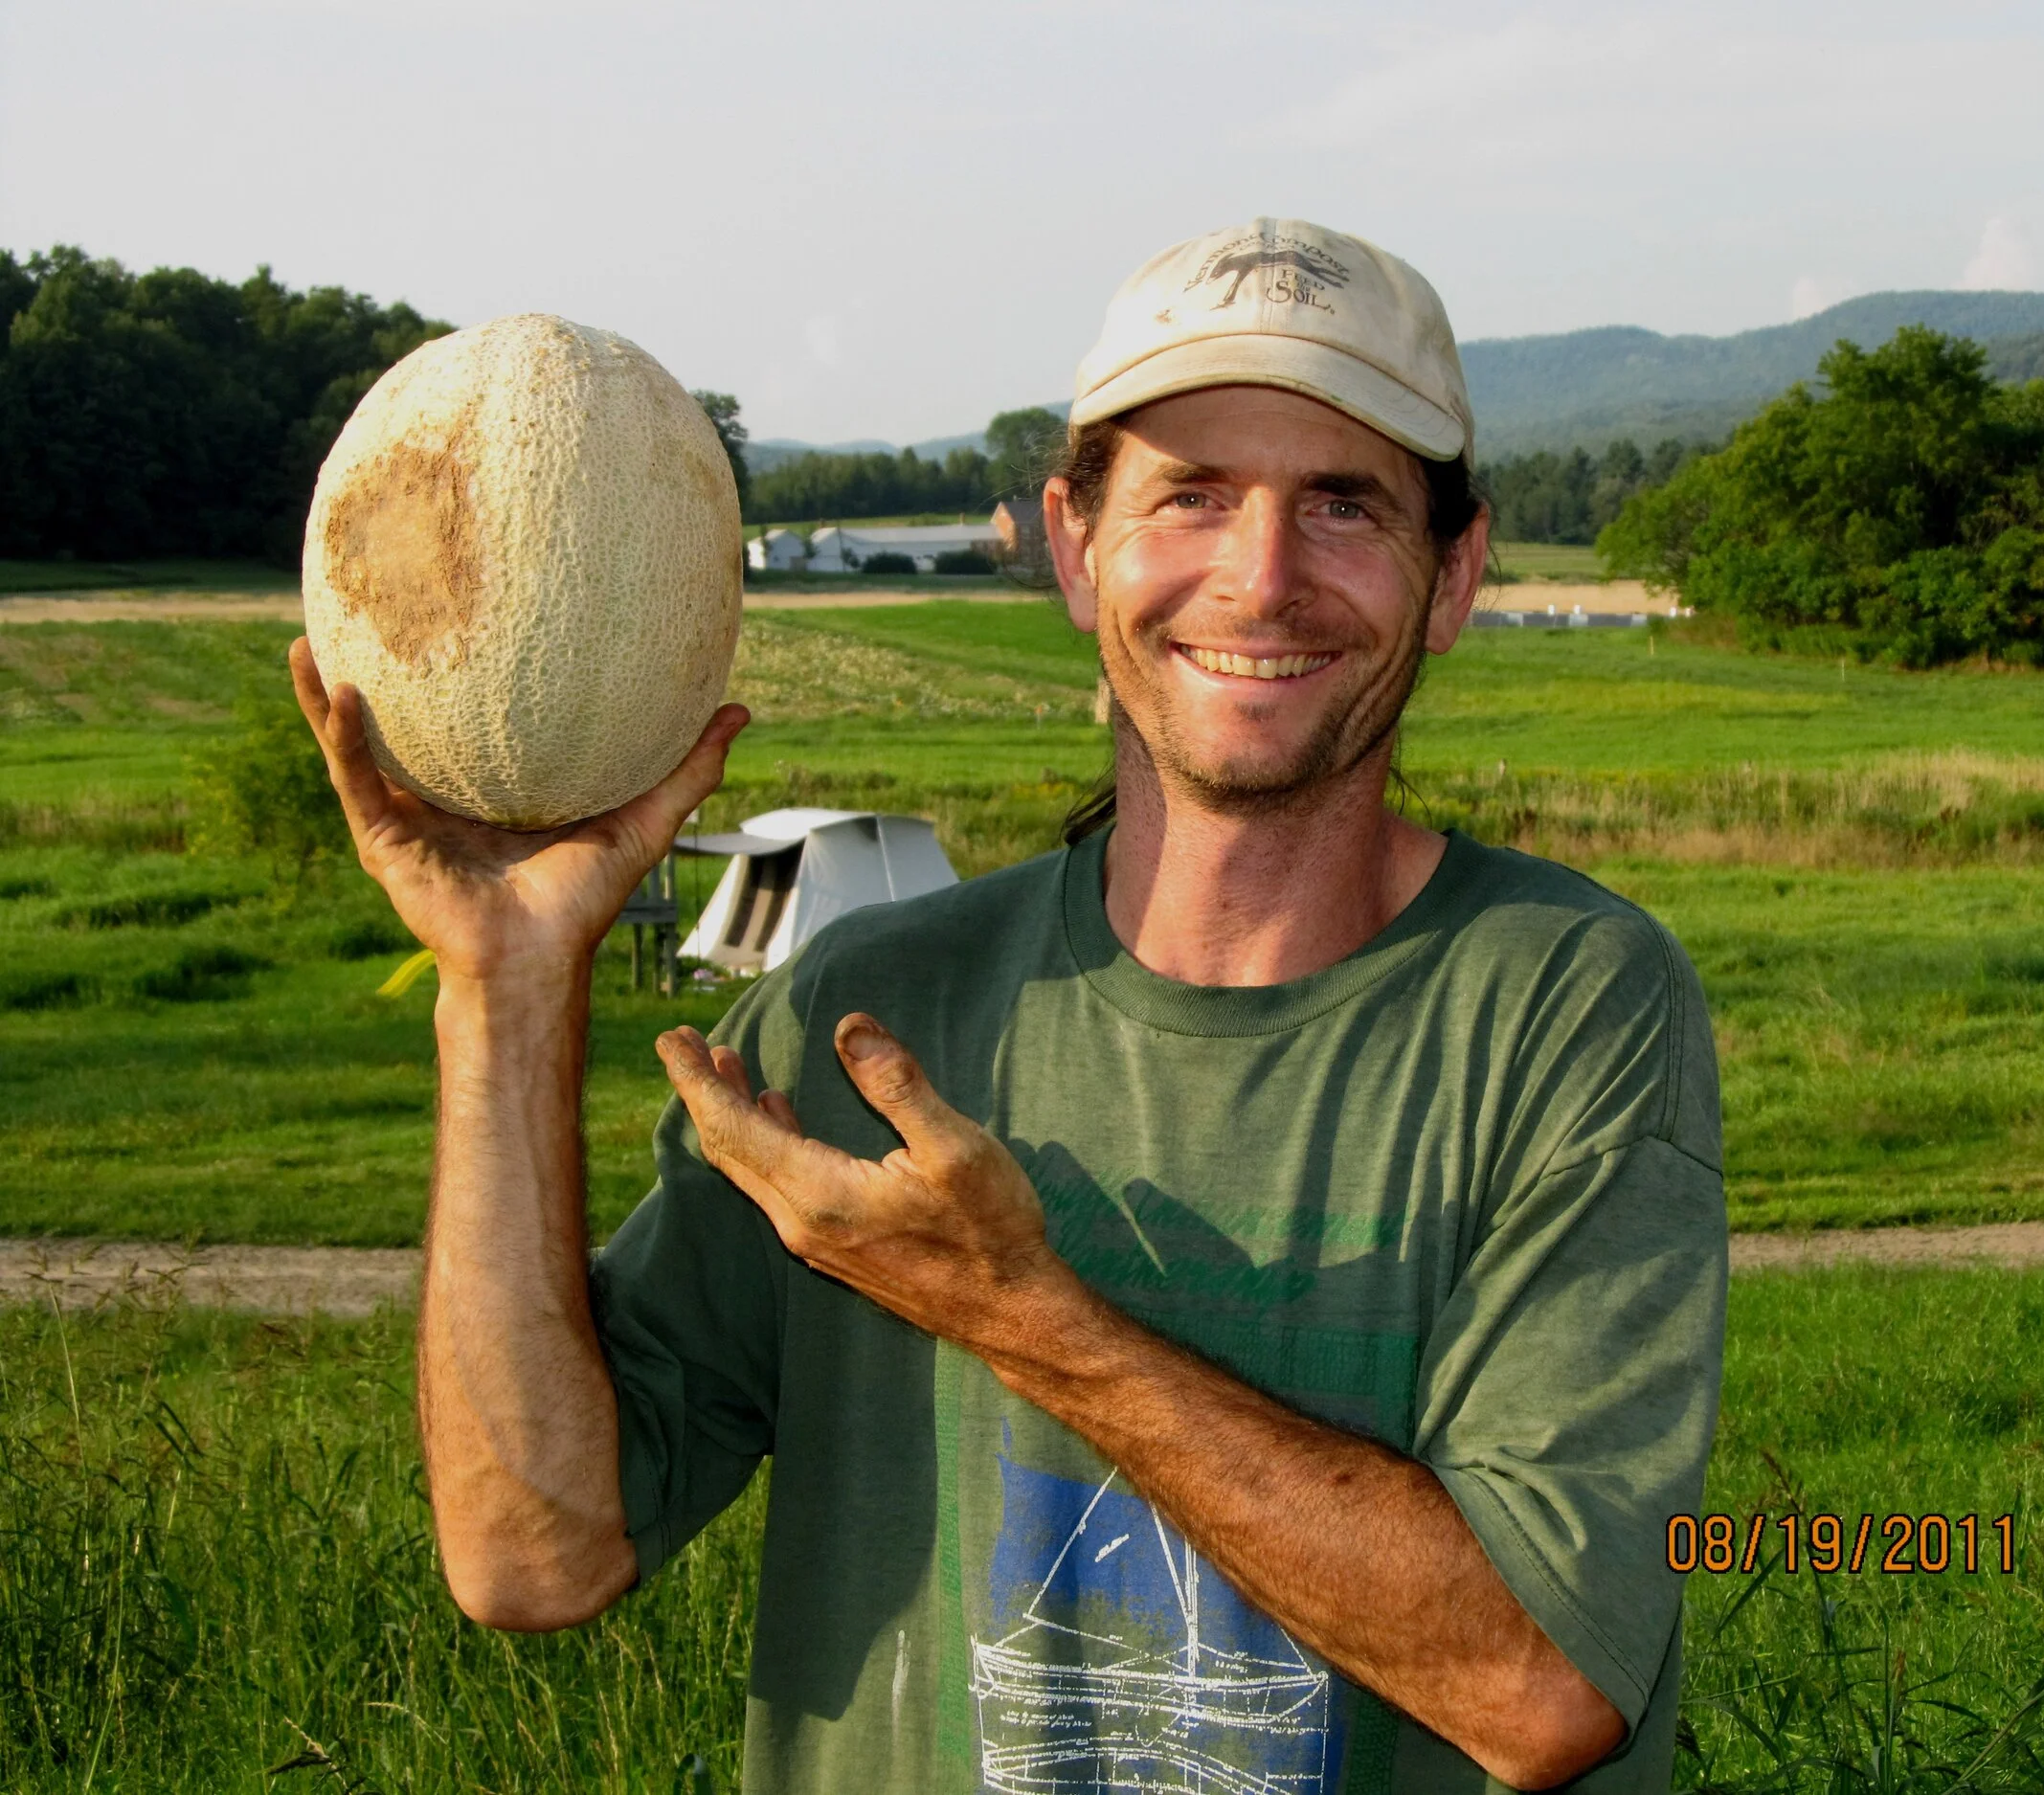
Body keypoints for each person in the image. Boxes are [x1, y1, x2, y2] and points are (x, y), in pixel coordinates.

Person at [293, 216, 1726, 1794]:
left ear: (1452, 576)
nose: (1261, 577)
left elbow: (1540, 1684)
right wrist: (504, 983)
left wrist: (1020, 1313)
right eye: (1190, 493)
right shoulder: (860, 1020)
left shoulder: (1568, 1010)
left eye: (1344, 505)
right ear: (1073, 540)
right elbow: (531, 1555)